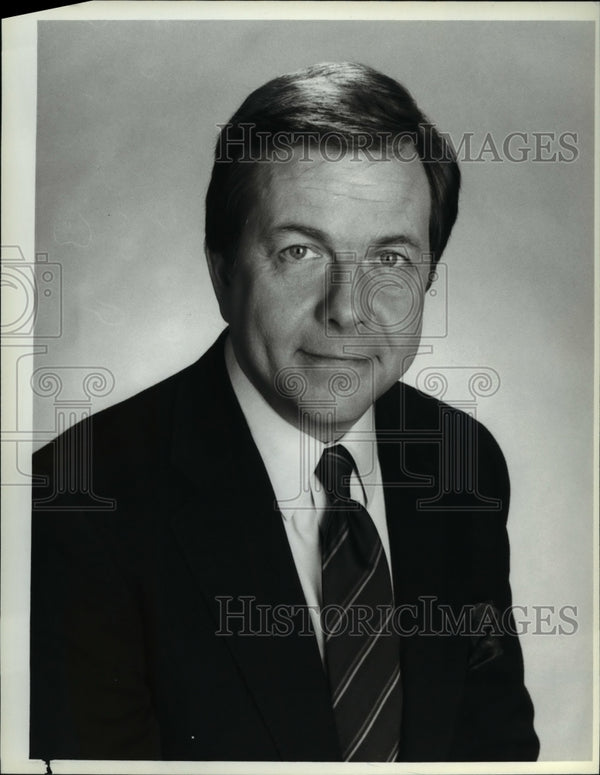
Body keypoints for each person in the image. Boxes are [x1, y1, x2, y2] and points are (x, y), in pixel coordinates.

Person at [30, 62, 539, 763]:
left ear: (428, 278)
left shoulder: (461, 457)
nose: (347, 308)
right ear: (222, 270)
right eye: (299, 251)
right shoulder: (77, 502)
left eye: (390, 258)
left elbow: (498, 749)